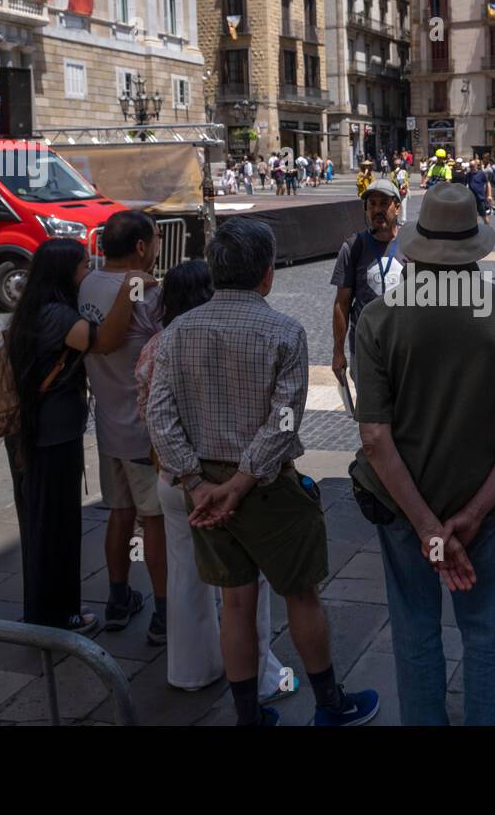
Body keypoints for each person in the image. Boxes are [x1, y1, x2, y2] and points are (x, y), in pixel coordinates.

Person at [146, 218, 379, 727]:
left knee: (235, 601)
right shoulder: (285, 332)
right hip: (269, 485)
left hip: (203, 486)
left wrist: (197, 483)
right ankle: (328, 703)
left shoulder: (177, 332)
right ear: (268, 274)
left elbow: (159, 417)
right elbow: (285, 418)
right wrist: (242, 481)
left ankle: (248, 716)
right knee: (300, 593)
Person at [351, 183, 495, 724]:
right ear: (476, 247)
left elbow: (374, 437)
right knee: (485, 636)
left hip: (402, 509)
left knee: (415, 634)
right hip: (484, 508)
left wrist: (427, 528)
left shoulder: (379, 319)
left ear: (419, 245)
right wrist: (471, 515)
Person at [135, 260, 292, 698]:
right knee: (247, 585)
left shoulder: (156, 346)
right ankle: (259, 675)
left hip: (174, 478)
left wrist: (186, 475)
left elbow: (150, 415)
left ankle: (190, 670)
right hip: (231, 478)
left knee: (185, 576)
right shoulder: (235, 336)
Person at [8, 239, 151, 633]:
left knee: (43, 525)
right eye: (83, 267)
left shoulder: (36, 308)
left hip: (43, 430)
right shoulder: (56, 315)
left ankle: (42, 611)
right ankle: (61, 616)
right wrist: (126, 289)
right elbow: (105, 341)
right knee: (57, 528)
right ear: (64, 272)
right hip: (53, 433)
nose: (88, 273)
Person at [78, 211, 168, 645]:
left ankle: (117, 598)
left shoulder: (88, 285)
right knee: (155, 521)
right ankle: (165, 613)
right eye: (154, 238)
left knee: (119, 511)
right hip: (142, 429)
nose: (157, 245)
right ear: (139, 247)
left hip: (107, 424)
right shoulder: (146, 293)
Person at [331, 179, 406, 390]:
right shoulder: (353, 247)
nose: (377, 210)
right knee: (370, 417)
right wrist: (338, 352)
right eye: (371, 205)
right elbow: (342, 304)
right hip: (365, 350)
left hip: (404, 349)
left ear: (397, 207)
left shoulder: (412, 244)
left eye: (384, 203)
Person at [467, 155, 492, 225]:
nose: (471, 168)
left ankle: (488, 229)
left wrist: (489, 195)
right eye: (470, 166)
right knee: (474, 216)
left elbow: (488, 184)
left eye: (472, 166)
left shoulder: (481, 173)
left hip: (480, 198)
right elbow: (465, 185)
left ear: (475, 166)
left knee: (484, 216)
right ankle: (476, 230)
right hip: (472, 199)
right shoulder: (468, 175)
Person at [393, 156, 410, 225]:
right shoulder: (392, 173)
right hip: (396, 192)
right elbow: (392, 182)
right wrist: (395, 174)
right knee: (396, 206)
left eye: (399, 165)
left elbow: (407, 181)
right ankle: (395, 219)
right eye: (396, 165)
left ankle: (403, 220)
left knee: (403, 205)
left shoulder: (404, 172)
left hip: (403, 191)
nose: (397, 166)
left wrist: (405, 185)